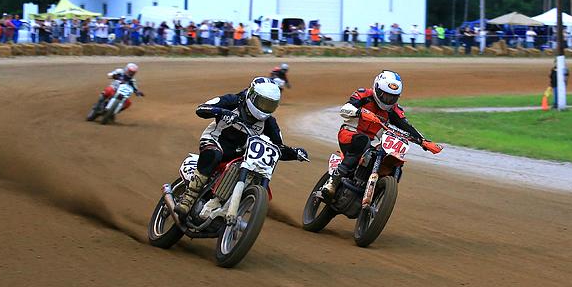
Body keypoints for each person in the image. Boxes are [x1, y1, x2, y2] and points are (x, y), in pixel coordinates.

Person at [175, 78, 309, 215]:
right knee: (214, 154)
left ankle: (226, 205)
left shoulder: (269, 122)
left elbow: (277, 147)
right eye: (263, 103)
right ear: (252, 96)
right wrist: (222, 112)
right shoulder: (233, 100)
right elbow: (202, 109)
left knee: (252, 173)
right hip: (214, 140)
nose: (265, 108)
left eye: (270, 105)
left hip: (241, 153)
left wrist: (294, 153)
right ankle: (188, 198)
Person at [320, 70, 429, 199]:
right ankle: (333, 181)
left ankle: (378, 194)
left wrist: (423, 141)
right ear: (377, 89)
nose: (388, 100)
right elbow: (345, 109)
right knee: (363, 141)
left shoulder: (394, 110)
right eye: (385, 95)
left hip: (371, 142)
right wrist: (360, 112)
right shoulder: (363, 94)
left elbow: (406, 126)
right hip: (349, 134)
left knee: (387, 157)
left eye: (392, 97)